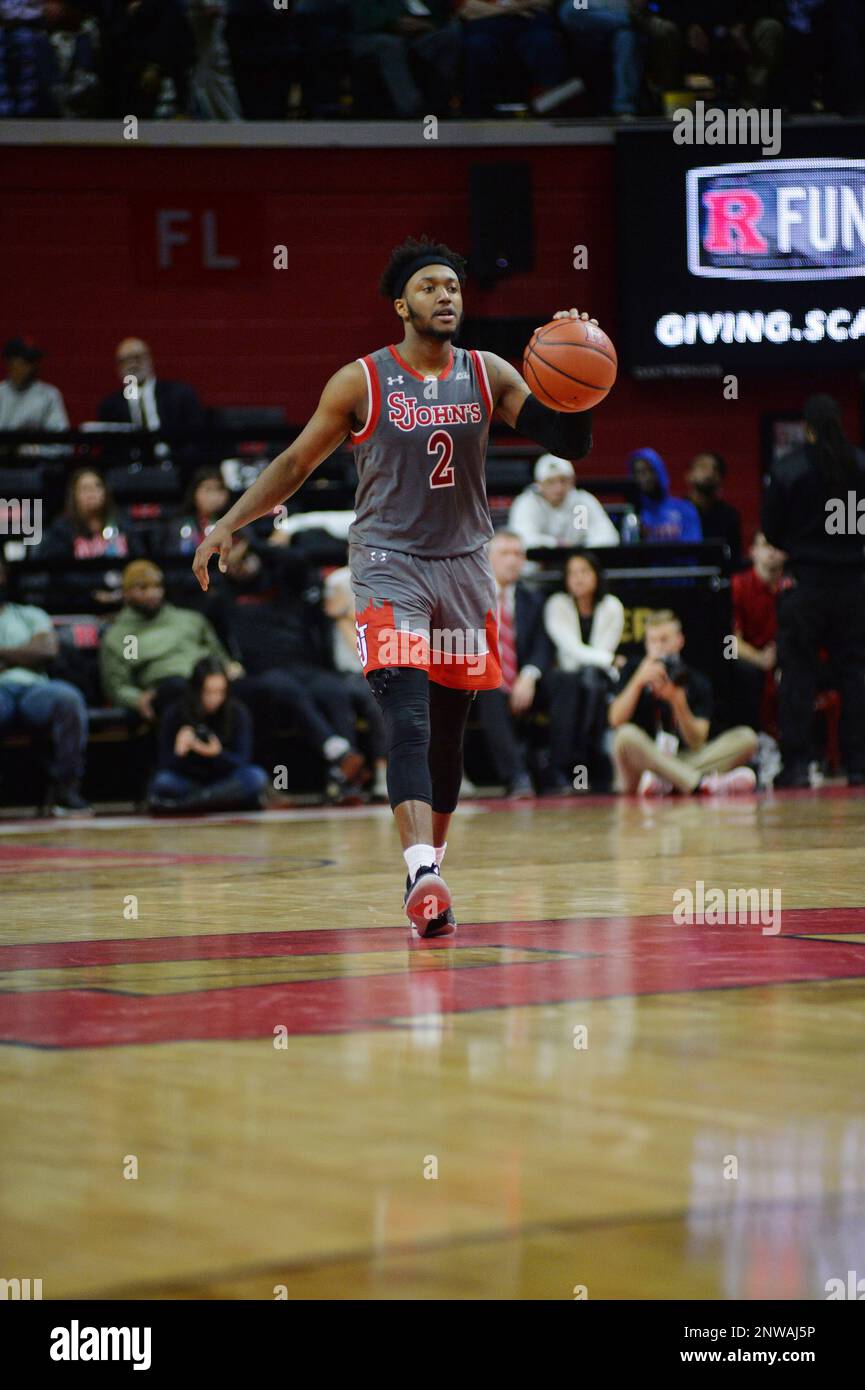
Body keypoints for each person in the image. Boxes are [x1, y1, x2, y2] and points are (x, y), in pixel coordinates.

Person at [192, 234, 600, 935]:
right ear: (400, 304)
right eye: (430, 287)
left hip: (464, 565)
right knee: (405, 712)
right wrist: (229, 522)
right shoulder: (361, 381)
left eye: (453, 286)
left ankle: (432, 864)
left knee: (448, 732)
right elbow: (295, 463)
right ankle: (419, 869)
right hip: (388, 563)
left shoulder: (489, 372)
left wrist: (584, 377)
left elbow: (570, 441)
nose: (446, 296)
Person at [762, 394, 865, 788]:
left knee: (799, 676)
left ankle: (797, 765)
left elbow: (771, 530)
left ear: (806, 427)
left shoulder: (789, 469)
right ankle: (858, 765)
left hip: (806, 585)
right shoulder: (859, 464)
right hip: (853, 585)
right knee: (855, 674)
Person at [221, 536, 371, 798]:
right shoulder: (223, 597)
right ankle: (339, 753)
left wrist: (253, 545)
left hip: (303, 665)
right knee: (288, 689)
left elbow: (298, 559)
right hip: (261, 671)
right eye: (233, 563)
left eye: (245, 559)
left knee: (334, 690)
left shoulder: (282, 583)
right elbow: (213, 637)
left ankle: (342, 777)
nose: (241, 566)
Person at [609, 608, 757, 796]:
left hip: (684, 757)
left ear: (679, 640)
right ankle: (700, 782)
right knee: (624, 735)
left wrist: (678, 702)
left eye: (664, 640)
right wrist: (638, 682)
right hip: (642, 763)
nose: (658, 647)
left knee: (746, 738)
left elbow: (697, 741)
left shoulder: (694, 680)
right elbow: (615, 720)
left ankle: (668, 781)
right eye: (652, 641)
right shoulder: (632, 670)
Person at [0, 557, 90, 814]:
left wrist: (3, 655)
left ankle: (66, 790)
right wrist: (23, 653)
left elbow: (47, 650)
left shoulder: (29, 614)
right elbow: (34, 650)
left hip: (34, 688)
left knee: (68, 699)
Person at [100, 559, 238, 724]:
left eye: (157, 586)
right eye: (143, 588)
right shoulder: (125, 637)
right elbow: (118, 686)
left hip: (209, 683)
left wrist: (229, 667)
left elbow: (219, 655)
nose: (152, 593)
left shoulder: (189, 620)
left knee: (258, 688)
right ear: (126, 592)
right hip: (168, 689)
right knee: (178, 688)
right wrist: (137, 699)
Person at [472, 530, 552, 797]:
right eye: (505, 553)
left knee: (565, 683)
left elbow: (542, 646)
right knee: (487, 688)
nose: (512, 561)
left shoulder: (534, 598)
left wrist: (528, 677)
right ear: (488, 559)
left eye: (518, 554)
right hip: (481, 681)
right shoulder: (470, 597)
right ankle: (517, 777)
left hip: (522, 680)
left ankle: (561, 773)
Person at [544, 551, 624, 791]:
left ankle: (584, 760)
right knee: (574, 682)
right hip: (564, 676)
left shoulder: (612, 606)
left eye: (584, 572)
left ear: (596, 576)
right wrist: (610, 659)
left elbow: (600, 653)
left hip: (598, 677)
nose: (578, 579)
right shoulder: (556, 604)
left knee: (592, 681)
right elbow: (572, 652)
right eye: (572, 573)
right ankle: (581, 760)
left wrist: (605, 661)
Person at [148, 656, 268, 813]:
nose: (214, 699)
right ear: (196, 689)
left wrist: (217, 754)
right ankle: (219, 801)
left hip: (225, 780)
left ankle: (189, 804)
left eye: (220, 692)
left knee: (256, 777)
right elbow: (164, 765)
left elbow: (242, 761)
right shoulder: (175, 713)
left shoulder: (237, 712)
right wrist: (179, 752)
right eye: (208, 692)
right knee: (162, 782)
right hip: (189, 781)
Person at [321, 566, 389, 801]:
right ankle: (347, 775)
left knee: (381, 698)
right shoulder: (338, 580)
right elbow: (330, 609)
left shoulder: (386, 578)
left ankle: (383, 771)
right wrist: (343, 615)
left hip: (380, 665)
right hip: (344, 671)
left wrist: (346, 613)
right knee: (344, 699)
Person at [40, 468, 145, 611]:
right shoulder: (62, 529)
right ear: (74, 496)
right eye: (85, 489)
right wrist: (93, 592)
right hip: (78, 604)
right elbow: (60, 573)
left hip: (125, 601)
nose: (92, 493)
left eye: (97, 486)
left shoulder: (122, 523)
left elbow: (139, 561)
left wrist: (124, 590)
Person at [458, 0, 572, 118]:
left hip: (530, 22)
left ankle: (552, 108)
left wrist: (497, 7)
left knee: (544, 42)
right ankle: (477, 114)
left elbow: (544, 2)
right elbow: (465, 7)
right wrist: (514, 7)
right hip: (485, 24)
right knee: (478, 46)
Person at [351, 0, 461, 120]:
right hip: (374, 35)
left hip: (421, 35)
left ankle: (443, 101)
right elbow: (363, 18)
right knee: (390, 45)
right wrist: (395, 22)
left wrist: (427, 25)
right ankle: (411, 107)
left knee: (450, 35)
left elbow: (441, 15)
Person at [98, 338, 205, 451]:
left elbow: (196, 436)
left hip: (174, 462)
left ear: (149, 359)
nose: (132, 364)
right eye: (125, 360)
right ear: (118, 368)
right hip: (129, 464)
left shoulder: (180, 395)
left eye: (137, 358)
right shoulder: (110, 405)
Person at [730, 530, 785, 735]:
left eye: (775, 546)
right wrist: (759, 658)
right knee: (739, 668)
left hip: (785, 656)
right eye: (765, 546)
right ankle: (755, 739)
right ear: (753, 552)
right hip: (750, 658)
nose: (771, 552)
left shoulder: (794, 586)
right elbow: (729, 640)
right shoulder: (737, 586)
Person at [508, 453, 620, 551]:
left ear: (572, 481)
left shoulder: (582, 502)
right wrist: (556, 544)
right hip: (539, 566)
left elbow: (606, 534)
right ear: (539, 484)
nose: (558, 488)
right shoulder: (527, 503)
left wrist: (583, 552)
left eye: (563, 480)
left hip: (577, 564)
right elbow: (521, 539)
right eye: (550, 482)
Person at [0, 336, 69, 455]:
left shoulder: (48, 396)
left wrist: (28, 451)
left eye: (34, 361)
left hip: (36, 467)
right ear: (10, 363)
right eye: (26, 361)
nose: (32, 367)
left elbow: (62, 446)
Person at [628, 447, 702, 543]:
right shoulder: (631, 513)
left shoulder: (685, 509)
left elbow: (693, 545)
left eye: (649, 470)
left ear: (659, 471)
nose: (644, 477)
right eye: (638, 472)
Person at [686, 450, 742, 569]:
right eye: (702, 467)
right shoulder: (677, 513)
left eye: (714, 469)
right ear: (689, 476)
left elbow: (735, 558)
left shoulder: (729, 516)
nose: (709, 473)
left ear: (720, 478)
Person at [162, 468, 231, 558]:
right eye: (208, 489)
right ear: (194, 493)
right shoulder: (178, 526)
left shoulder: (237, 525)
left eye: (219, 489)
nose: (214, 496)